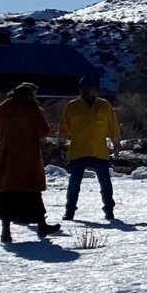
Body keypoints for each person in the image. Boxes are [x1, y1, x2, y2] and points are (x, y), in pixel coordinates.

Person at [0, 81, 60, 244]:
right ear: (31, 94)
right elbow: (44, 131)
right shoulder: (31, 108)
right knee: (32, 191)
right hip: (27, 156)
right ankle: (41, 226)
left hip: (6, 156)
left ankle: (6, 232)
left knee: (6, 192)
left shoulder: (1, 108)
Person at [58, 76, 120, 221]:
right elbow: (63, 126)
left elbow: (113, 127)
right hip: (78, 149)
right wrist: (62, 145)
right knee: (74, 183)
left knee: (105, 182)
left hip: (99, 149)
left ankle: (109, 210)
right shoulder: (72, 106)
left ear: (95, 89)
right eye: (84, 88)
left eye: (89, 88)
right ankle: (70, 211)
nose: (86, 91)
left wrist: (116, 144)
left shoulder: (105, 106)